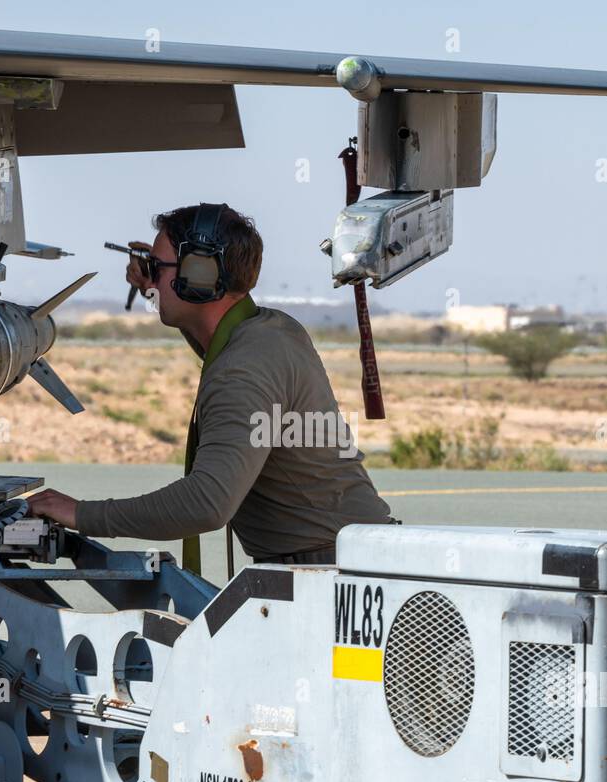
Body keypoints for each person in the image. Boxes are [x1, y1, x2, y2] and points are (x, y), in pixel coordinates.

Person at [27, 202, 392, 571]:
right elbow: (215, 343)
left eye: (157, 267)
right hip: (350, 563)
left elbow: (207, 503)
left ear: (199, 275)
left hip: (332, 577)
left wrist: (81, 513)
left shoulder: (244, 367)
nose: (149, 278)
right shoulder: (269, 331)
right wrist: (155, 286)